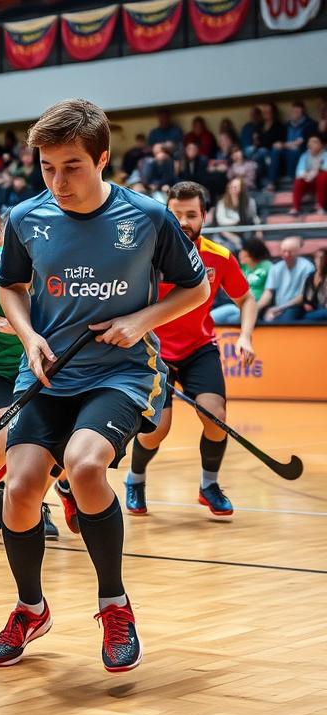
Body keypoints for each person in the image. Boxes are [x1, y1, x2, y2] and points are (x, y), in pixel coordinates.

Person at [0, 99, 209, 674]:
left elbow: (197, 289)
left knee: (85, 468)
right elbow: (10, 285)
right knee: (20, 488)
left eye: (71, 166)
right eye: (46, 167)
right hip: (47, 371)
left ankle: (115, 604)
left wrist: (142, 321)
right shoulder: (25, 219)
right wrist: (28, 333)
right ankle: (30, 608)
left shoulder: (149, 217)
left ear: (102, 158)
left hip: (121, 371)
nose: (57, 181)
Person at [127, 182, 256, 520]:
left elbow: (246, 299)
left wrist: (245, 336)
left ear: (204, 216)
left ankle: (208, 486)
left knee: (216, 418)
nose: (183, 221)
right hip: (155, 351)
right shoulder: (146, 253)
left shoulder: (220, 256)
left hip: (199, 348)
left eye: (191, 215)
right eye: (176, 214)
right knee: (157, 429)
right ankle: (135, 480)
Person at [0, 232, 60, 539]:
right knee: (7, 441)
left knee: (52, 445)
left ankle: (35, 502)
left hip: (32, 368)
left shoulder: (55, 263)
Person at [210, 238, 273, 325]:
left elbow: (269, 292)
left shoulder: (268, 266)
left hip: (253, 309)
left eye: (243, 250)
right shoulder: (244, 267)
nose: (240, 253)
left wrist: (254, 309)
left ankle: (201, 322)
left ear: (251, 253)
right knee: (227, 319)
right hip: (238, 308)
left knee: (229, 310)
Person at [259, 237, 315, 323]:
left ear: (297, 252)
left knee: (284, 320)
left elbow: (302, 297)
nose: (286, 254)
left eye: (290, 251)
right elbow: (268, 292)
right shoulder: (276, 267)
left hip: (295, 306)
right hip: (277, 307)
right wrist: (257, 307)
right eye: (284, 251)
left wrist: (278, 308)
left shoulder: (307, 267)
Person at [212, 177, 257, 252]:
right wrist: (235, 221)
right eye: (232, 187)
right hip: (225, 232)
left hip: (244, 231)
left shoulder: (249, 202)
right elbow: (221, 221)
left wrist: (259, 230)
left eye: (236, 187)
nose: (234, 189)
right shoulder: (222, 203)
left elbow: (252, 217)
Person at [290, 135, 327, 216]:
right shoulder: (304, 156)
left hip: (323, 184)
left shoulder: (325, 155)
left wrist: (314, 173)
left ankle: (320, 206)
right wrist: (308, 174)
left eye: (315, 142)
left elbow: (324, 169)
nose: (311, 144)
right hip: (310, 181)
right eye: (310, 142)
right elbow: (299, 172)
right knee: (299, 180)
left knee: (323, 176)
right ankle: (296, 208)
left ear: (321, 144)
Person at [301, 248, 327, 322]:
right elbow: (305, 296)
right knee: (308, 316)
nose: (319, 260)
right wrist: (306, 304)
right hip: (313, 310)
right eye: (317, 257)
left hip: (323, 309)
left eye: (322, 258)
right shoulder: (310, 277)